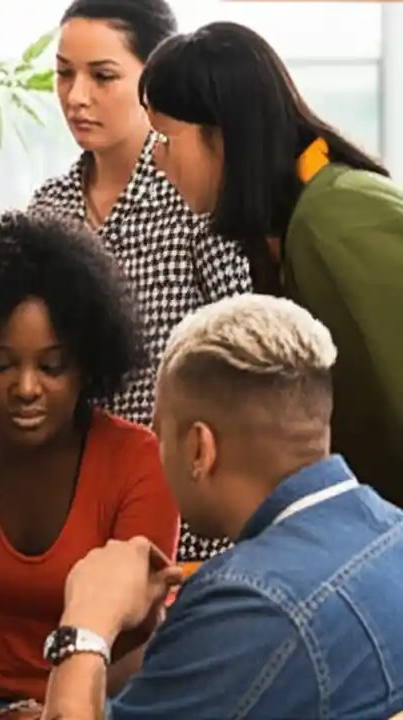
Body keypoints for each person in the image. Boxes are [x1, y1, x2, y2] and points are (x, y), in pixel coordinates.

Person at [0, 0, 251, 563]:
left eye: (102, 76)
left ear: (153, 79)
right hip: (77, 521)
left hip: (195, 522)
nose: (76, 95)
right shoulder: (49, 208)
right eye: (64, 72)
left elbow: (244, 364)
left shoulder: (199, 199)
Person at [41, 294, 403, 719]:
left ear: (199, 448)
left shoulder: (251, 604)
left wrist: (86, 622)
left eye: (160, 433)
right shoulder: (390, 531)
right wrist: (168, 636)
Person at [0, 211, 179, 719]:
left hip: (95, 699)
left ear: (88, 366)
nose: (26, 389)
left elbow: (138, 642)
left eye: (51, 367)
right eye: (2, 365)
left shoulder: (138, 463)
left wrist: (55, 706)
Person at [140, 21, 403, 510]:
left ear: (222, 136)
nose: (156, 160)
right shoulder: (297, 226)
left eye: (166, 138)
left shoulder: (335, 221)